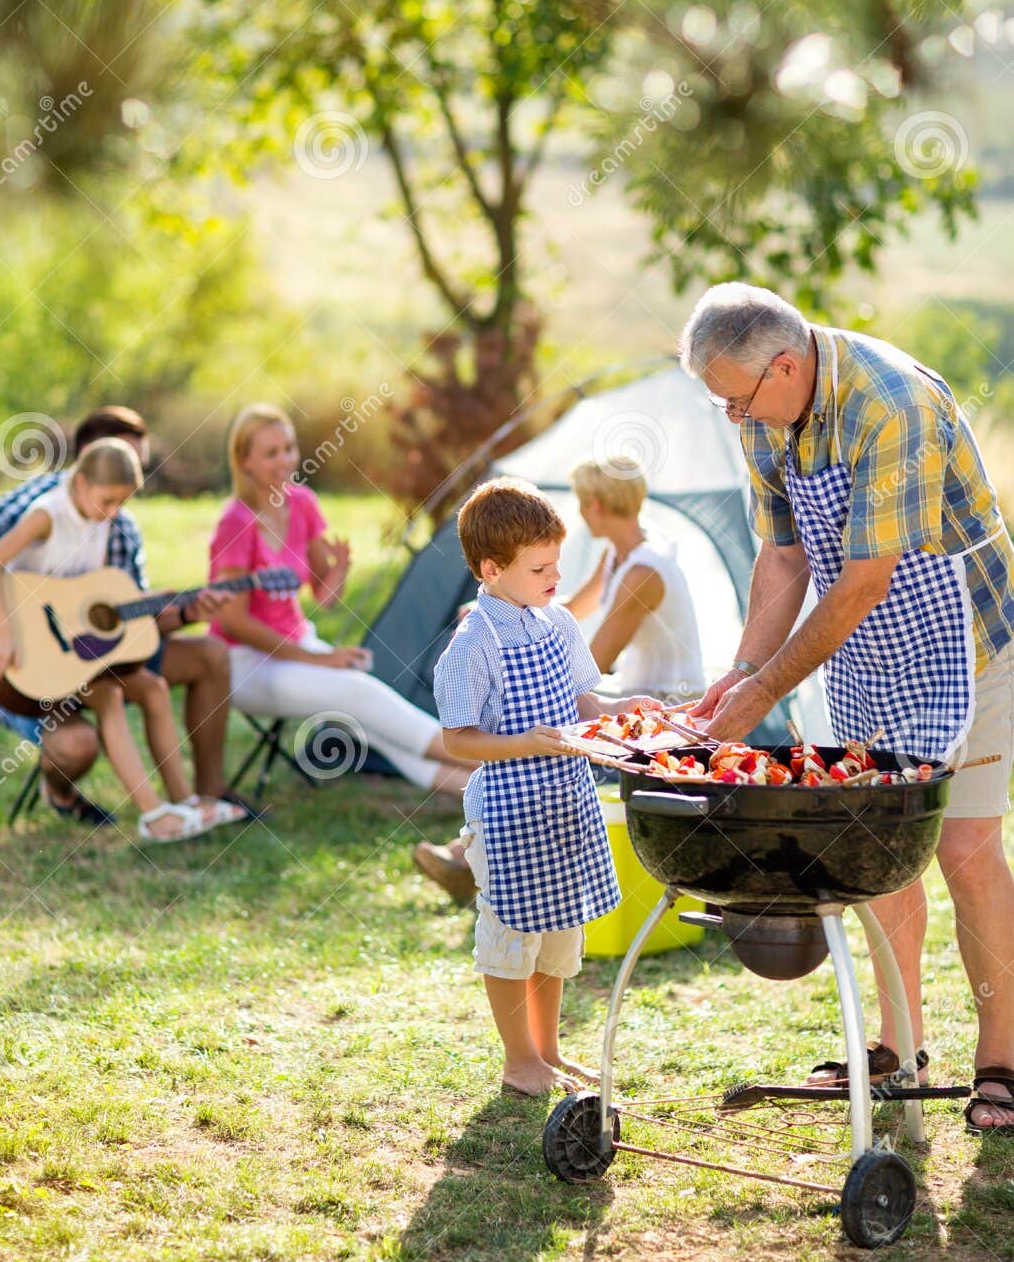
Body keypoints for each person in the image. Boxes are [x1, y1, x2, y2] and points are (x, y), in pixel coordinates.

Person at [680, 282, 1014, 1133]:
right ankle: (901, 1052)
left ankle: (1002, 1062)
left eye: (735, 400)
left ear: (784, 365)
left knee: (965, 847)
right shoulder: (765, 413)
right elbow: (785, 556)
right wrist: (742, 668)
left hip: (969, 641)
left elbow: (865, 579)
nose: (731, 419)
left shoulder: (889, 404)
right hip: (862, 651)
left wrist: (764, 693)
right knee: (872, 847)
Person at [434, 476, 663, 1097]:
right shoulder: (473, 643)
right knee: (512, 935)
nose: (554, 577)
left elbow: (584, 700)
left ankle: (548, 1051)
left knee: (558, 932)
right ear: (490, 569)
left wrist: (624, 707)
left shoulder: (558, 622)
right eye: (539, 568)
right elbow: (457, 740)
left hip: (565, 803)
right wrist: (531, 741)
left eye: (557, 563)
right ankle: (518, 1061)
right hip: (509, 815)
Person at [0, 406, 248, 826]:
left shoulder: (105, 520)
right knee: (106, 706)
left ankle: (181, 804)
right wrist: (4, 635)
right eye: (109, 500)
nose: (115, 511)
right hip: (32, 657)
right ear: (81, 479)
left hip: (85, 654)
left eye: (123, 502)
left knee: (148, 687)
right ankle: (152, 813)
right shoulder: (47, 512)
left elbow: (118, 605)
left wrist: (183, 610)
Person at [209, 405, 472, 797]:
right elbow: (233, 622)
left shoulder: (301, 503)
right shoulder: (236, 522)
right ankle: (495, 761)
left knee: (368, 714)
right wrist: (320, 660)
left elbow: (324, 596)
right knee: (359, 693)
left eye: (289, 448)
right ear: (244, 461)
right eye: (270, 453)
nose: (284, 461)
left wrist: (340, 570)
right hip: (243, 663)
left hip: (296, 646)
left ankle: (483, 791)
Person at [564, 454, 705, 702]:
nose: (580, 513)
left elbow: (593, 664)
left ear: (595, 506)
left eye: (581, 504)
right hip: (640, 692)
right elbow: (573, 608)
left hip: (670, 703)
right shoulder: (617, 552)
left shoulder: (642, 574)